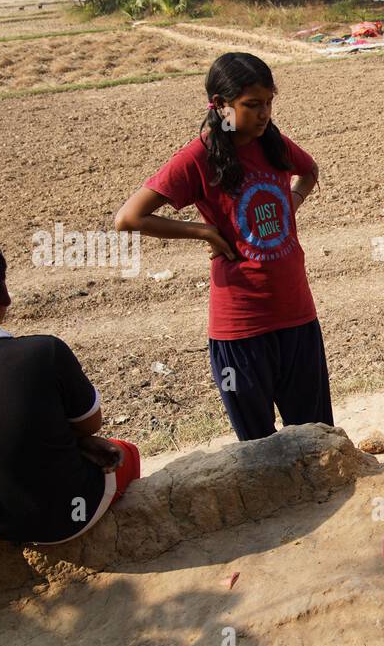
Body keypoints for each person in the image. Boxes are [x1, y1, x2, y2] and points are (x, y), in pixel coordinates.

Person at [115, 52, 331, 442]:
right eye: (252, 105)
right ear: (219, 105)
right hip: (241, 328)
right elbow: (129, 218)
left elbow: (309, 172)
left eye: (269, 102)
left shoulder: (273, 143)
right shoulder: (198, 157)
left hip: (297, 313)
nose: (264, 113)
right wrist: (205, 232)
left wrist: (289, 206)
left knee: (315, 437)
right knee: (259, 449)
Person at [0, 234, 140, 544]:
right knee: (126, 452)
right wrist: (79, 442)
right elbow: (90, 423)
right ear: (4, 294)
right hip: (68, 518)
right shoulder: (44, 351)